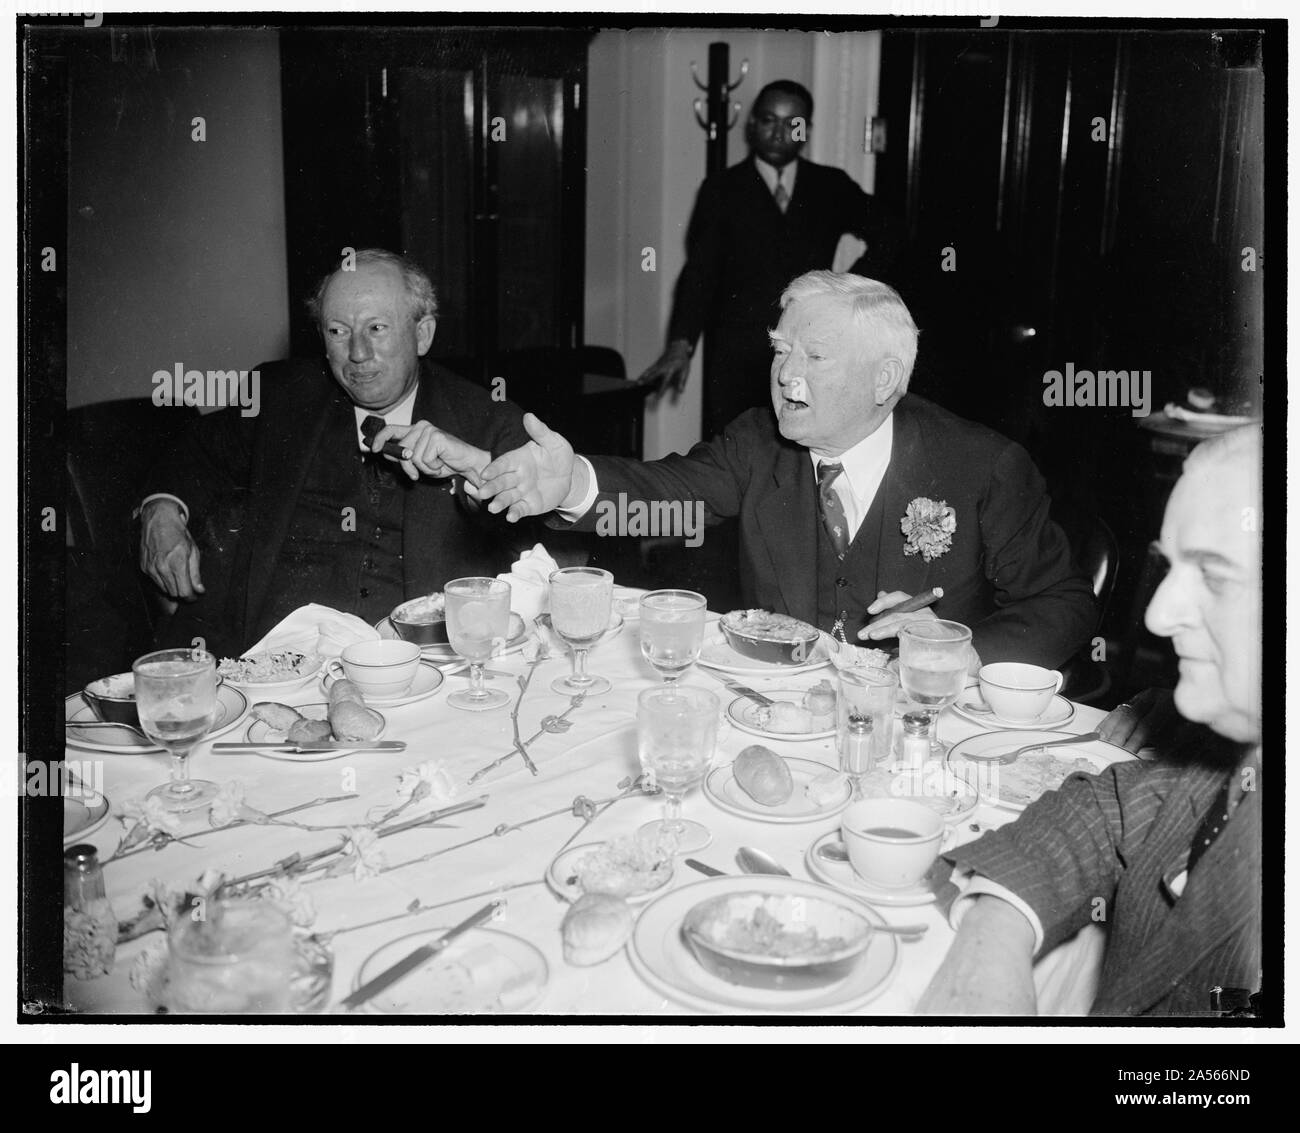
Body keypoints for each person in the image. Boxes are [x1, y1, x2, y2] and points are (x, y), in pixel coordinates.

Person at [468, 271, 1096, 668]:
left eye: (815, 356)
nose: (787, 374)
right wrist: (573, 483)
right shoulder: (757, 444)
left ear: (884, 378)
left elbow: (1063, 605)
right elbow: (668, 496)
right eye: (780, 350)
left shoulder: (981, 465)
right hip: (782, 712)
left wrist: (958, 649)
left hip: (922, 726)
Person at [917, 426, 1262, 1016]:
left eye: (1214, 575)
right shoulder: (1228, 768)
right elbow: (1113, 808)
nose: (1155, 615)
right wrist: (996, 921)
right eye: (1171, 568)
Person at [138, 248, 540, 656]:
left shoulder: (485, 418)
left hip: (415, 660)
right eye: (337, 331)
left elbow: (543, 521)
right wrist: (161, 512)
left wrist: (479, 476)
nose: (358, 353)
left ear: (423, 334)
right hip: (266, 651)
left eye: (377, 328)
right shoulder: (280, 395)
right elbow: (195, 450)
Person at [638, 80, 904, 437]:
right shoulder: (722, 189)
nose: (780, 131)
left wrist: (843, 292)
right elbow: (700, 273)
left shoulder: (830, 186)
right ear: (751, 125)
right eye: (768, 119)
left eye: (792, 122)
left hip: (809, 347)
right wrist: (680, 344)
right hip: (737, 354)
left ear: (805, 130)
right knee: (734, 453)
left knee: (802, 445)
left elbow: (893, 233)